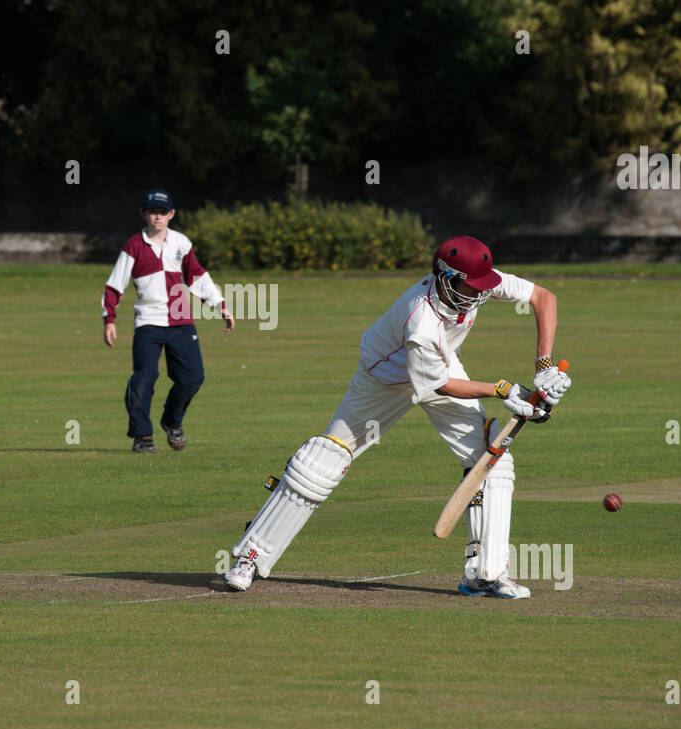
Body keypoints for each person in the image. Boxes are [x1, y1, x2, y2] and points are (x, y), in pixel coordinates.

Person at [222, 235, 571, 598]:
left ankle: (485, 574)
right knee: (321, 463)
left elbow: (543, 298)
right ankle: (251, 555)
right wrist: (504, 390)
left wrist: (543, 366)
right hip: (385, 377)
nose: (479, 295)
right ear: (445, 277)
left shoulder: (479, 280)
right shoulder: (421, 319)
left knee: (492, 460)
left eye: (482, 286)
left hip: (440, 364)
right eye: (470, 287)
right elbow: (439, 387)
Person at [102, 189, 235, 453]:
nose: (157, 217)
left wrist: (220, 305)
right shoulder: (134, 246)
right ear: (144, 214)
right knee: (144, 379)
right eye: (153, 212)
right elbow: (115, 285)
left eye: (163, 212)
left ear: (171, 214)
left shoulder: (181, 243)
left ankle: (172, 422)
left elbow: (196, 276)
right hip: (148, 323)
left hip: (181, 322)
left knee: (193, 378)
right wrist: (110, 319)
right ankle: (142, 436)